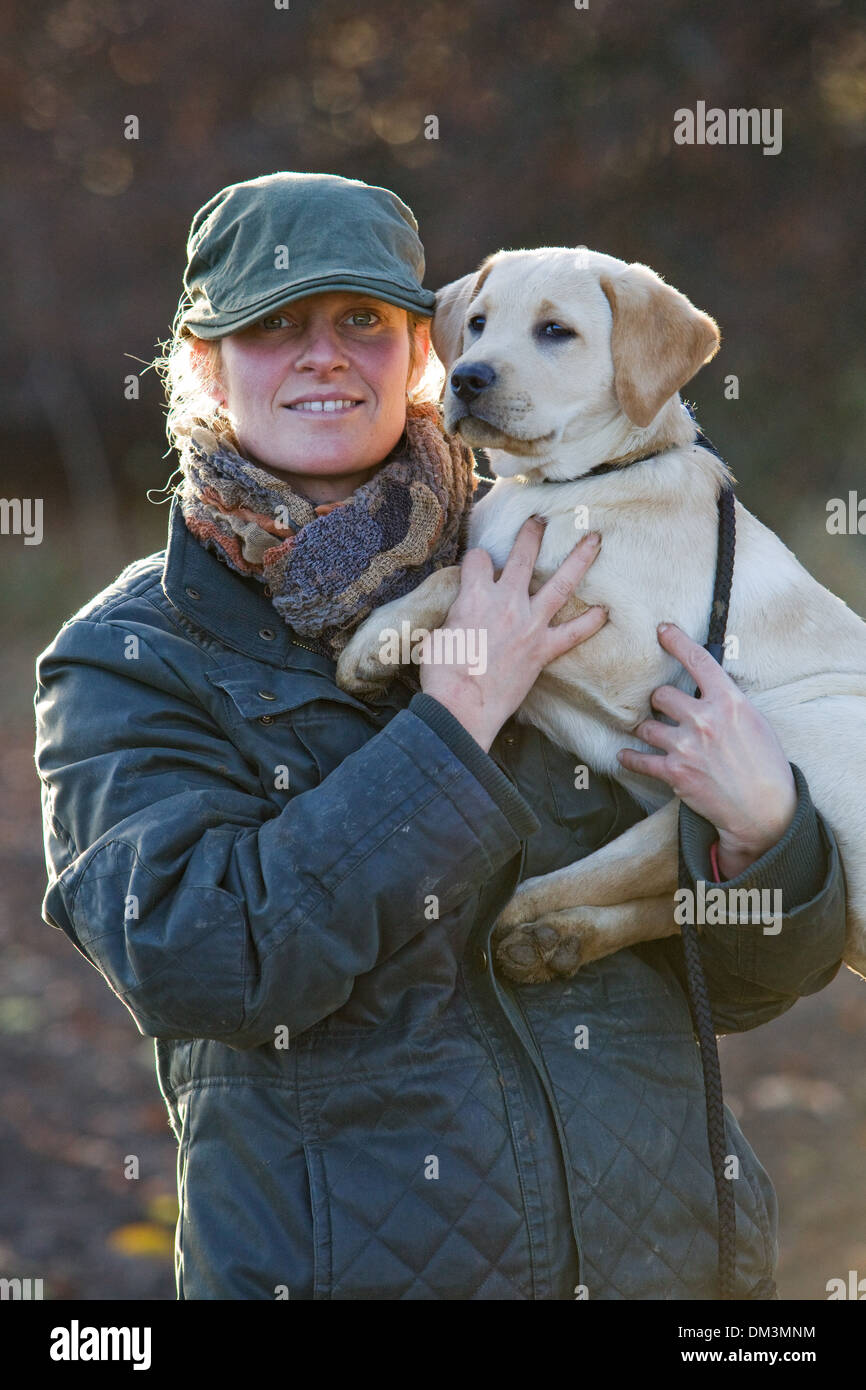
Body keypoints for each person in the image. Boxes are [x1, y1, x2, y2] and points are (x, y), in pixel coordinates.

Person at [34, 171, 846, 1301]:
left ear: (420, 350)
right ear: (205, 367)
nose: (323, 354)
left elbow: (744, 982)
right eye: (272, 326)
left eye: (362, 320)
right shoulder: (133, 655)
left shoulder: (575, 549)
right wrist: (455, 715)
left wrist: (769, 838)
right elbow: (205, 964)